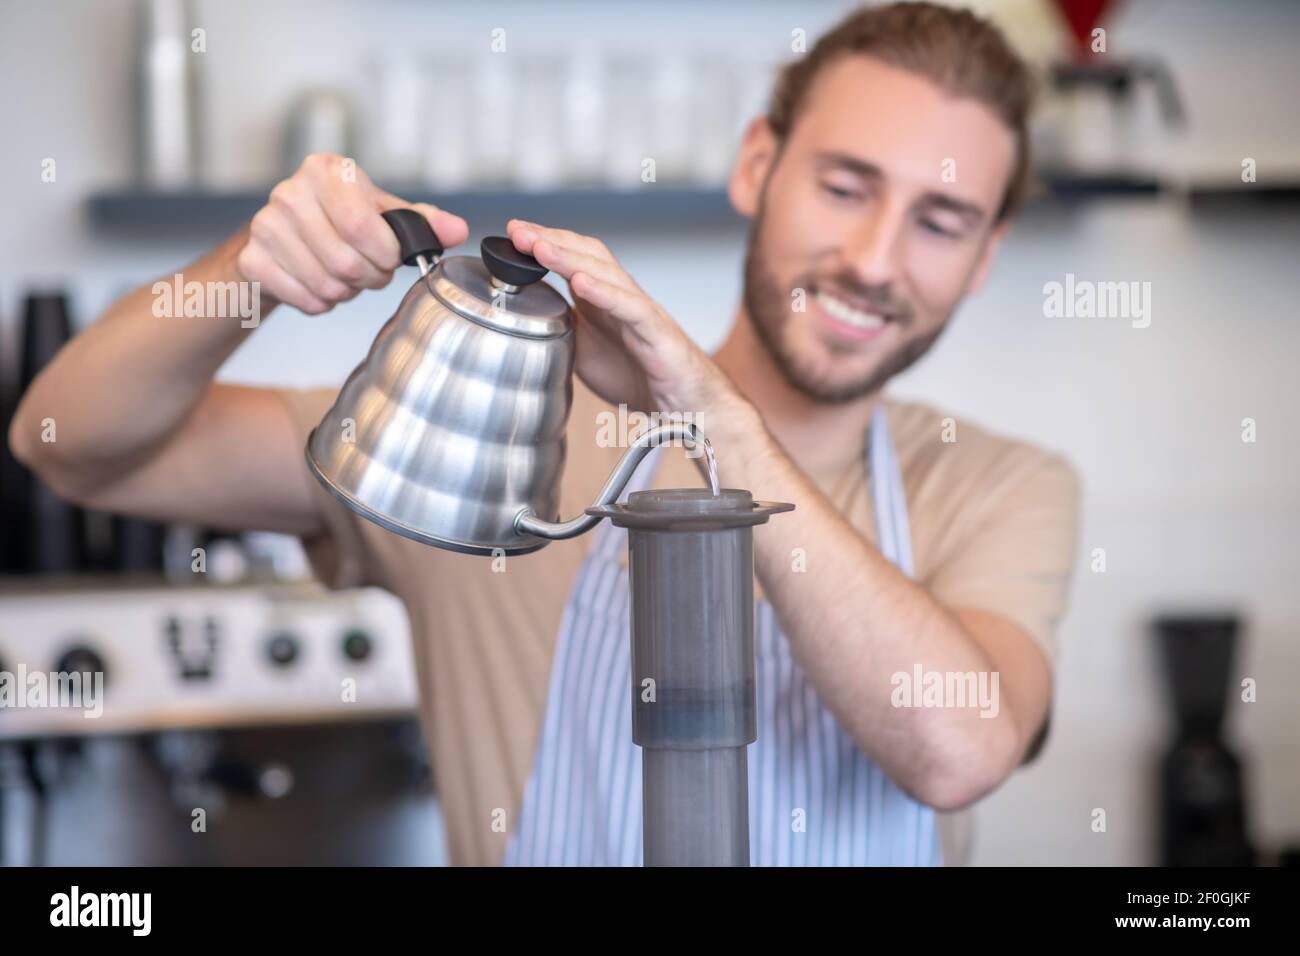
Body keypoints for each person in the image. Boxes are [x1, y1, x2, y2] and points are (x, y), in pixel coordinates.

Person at [10, 2, 1080, 866]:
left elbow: (956, 750)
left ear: (985, 255)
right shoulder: (493, 426)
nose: (874, 260)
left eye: (938, 222)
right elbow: (68, 441)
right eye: (843, 186)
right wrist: (248, 269)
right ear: (759, 164)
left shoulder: (995, 486)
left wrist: (712, 422)